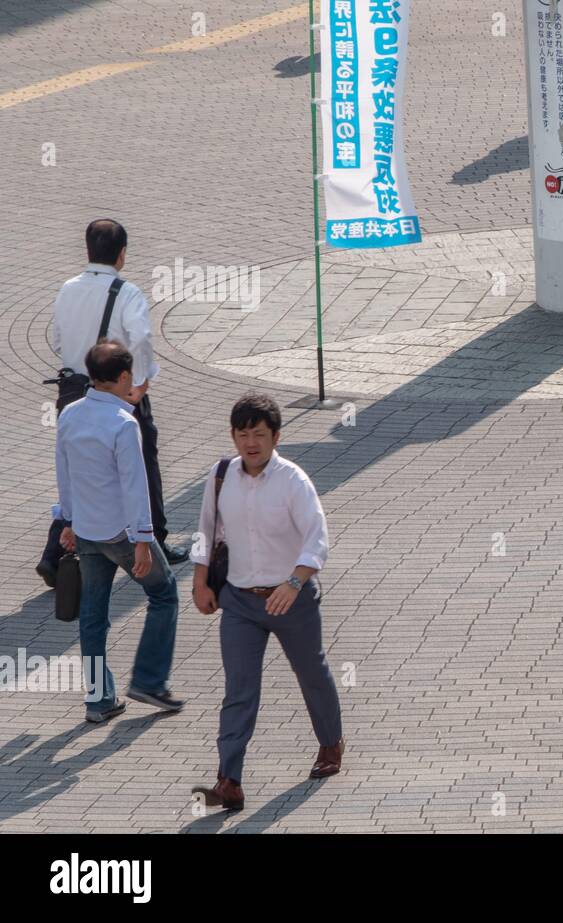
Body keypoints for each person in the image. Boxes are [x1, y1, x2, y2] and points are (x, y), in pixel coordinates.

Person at [191, 394, 343, 812]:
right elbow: (205, 531)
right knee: (239, 689)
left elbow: (318, 539)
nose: (250, 442)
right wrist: (200, 582)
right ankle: (229, 780)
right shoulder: (220, 475)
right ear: (233, 436)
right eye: (243, 434)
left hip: (291, 599)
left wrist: (295, 582)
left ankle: (330, 744)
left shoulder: (294, 481)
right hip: (239, 601)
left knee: (311, 672)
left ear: (276, 436)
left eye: (259, 434)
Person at [41, 218, 189, 588]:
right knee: (141, 464)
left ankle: (54, 552)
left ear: (88, 249)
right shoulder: (127, 293)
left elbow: (57, 339)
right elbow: (139, 337)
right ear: (122, 254)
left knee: (77, 469)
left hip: (74, 391)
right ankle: (154, 540)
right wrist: (137, 383)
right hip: (116, 393)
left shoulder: (67, 289)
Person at [56, 341, 182, 723]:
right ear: (125, 376)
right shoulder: (124, 424)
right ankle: (149, 680)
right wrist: (144, 540)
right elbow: (134, 485)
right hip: (123, 534)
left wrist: (69, 522)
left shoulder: (69, 415)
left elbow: (64, 474)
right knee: (164, 593)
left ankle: (99, 700)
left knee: (93, 617)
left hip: (88, 532)